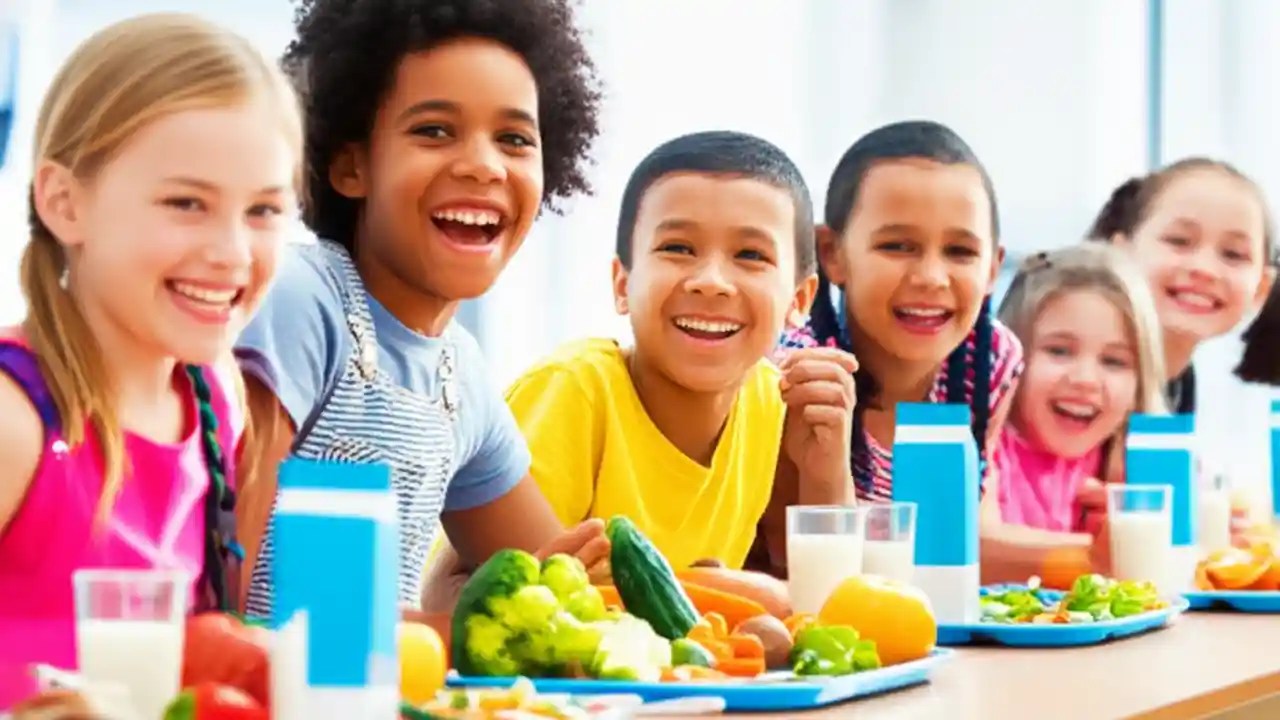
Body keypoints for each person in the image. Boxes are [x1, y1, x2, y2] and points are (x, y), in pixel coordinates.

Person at [233, 0, 608, 628]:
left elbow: (548, 584)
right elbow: (220, 588)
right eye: (434, 130)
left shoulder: (460, 375)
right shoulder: (303, 300)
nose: (484, 164)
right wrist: (453, 631)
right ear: (351, 165)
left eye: (514, 138)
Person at [0, 12, 302, 675]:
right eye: (186, 203)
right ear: (63, 201)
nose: (231, 253)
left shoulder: (214, 395)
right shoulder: (14, 420)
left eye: (263, 211)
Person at [469, 130, 855, 573]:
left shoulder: (774, 402)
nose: (711, 280)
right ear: (622, 285)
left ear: (800, 300)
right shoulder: (574, 392)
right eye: (677, 248)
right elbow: (484, 590)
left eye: (750, 254)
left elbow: (827, 603)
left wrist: (827, 471)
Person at [994, 244, 1167, 533]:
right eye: (1059, 351)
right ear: (1010, 355)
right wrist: (1106, 553)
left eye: (1113, 361)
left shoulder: (1141, 461)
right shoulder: (983, 454)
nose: (1085, 379)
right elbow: (981, 547)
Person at [1087, 157, 1276, 413]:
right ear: (1120, 252)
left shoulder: (1181, 382)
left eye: (1233, 254)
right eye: (1179, 241)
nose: (1204, 269)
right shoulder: (1082, 373)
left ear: (1261, 289)